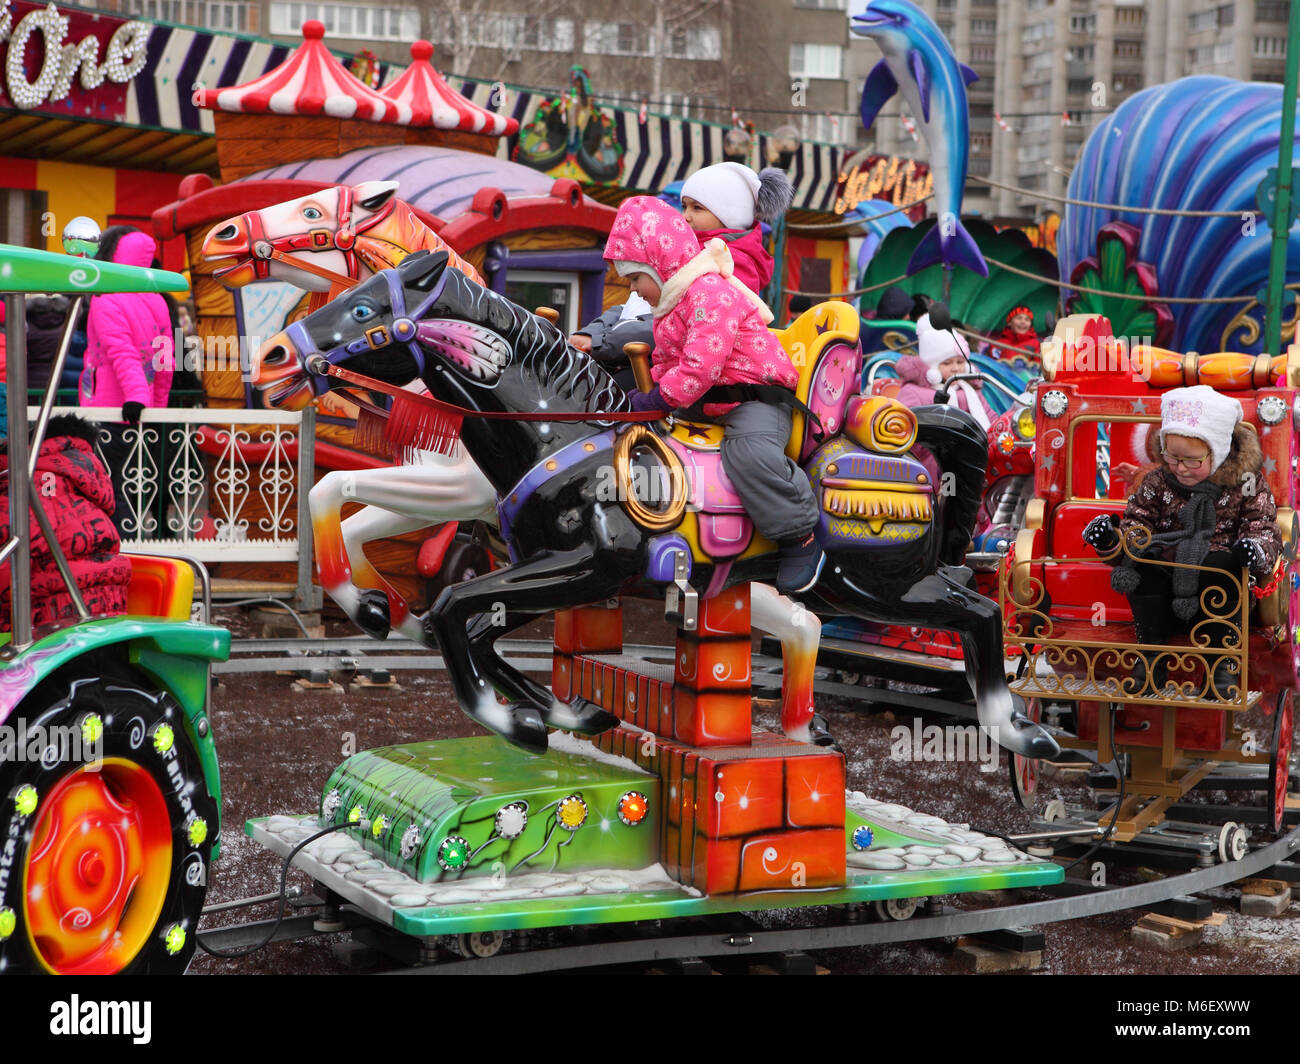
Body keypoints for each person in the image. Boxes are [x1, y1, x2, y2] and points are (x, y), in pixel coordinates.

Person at [603, 196, 823, 593]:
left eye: (636, 277)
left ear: (659, 265)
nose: (634, 289)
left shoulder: (710, 293)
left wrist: (658, 399)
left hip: (754, 400)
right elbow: (669, 363)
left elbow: (702, 362)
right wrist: (640, 394)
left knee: (749, 454)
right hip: (708, 402)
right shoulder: (672, 306)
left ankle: (799, 535)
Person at [1083, 385, 1282, 699]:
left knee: (1223, 565)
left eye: (1191, 461)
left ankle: (1221, 665)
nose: (1178, 468)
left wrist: (1254, 549)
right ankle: (1151, 662)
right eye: (1171, 457)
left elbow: (1263, 524)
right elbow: (1137, 526)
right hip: (1163, 593)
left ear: (1217, 451)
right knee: (1144, 563)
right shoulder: (1158, 481)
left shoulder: (1246, 483)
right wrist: (1113, 540)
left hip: (1219, 598)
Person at [79, 226, 174, 536]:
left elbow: (122, 353)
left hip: (107, 410)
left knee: (108, 485)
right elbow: (164, 359)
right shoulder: (157, 300)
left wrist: (136, 398)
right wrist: (156, 406)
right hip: (142, 416)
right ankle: (133, 546)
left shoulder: (106, 298)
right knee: (132, 484)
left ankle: (120, 549)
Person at [0, 413, 132, 632]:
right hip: (106, 606)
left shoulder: (37, 485)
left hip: (56, 618)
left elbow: (18, 550)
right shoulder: (82, 482)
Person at [678, 161, 794, 295]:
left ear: (730, 215)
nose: (685, 216)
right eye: (684, 207)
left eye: (697, 208)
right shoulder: (692, 246)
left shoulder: (735, 261)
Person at [893, 305, 994, 430]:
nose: (956, 368)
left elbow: (991, 418)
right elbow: (907, 429)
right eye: (947, 363)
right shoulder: (913, 392)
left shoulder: (970, 390)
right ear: (932, 368)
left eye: (960, 362)